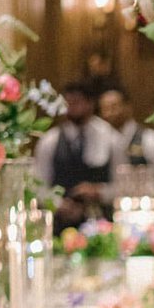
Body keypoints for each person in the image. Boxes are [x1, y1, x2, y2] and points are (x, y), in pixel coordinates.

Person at [34, 82, 121, 229]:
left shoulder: (110, 138)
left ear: (90, 104)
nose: (72, 107)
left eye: (77, 102)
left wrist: (99, 192)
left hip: (102, 223)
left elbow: (123, 184)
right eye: (69, 103)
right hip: (61, 224)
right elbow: (38, 185)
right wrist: (59, 204)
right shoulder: (50, 141)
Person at [100, 85, 154, 193]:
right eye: (105, 109)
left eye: (114, 107)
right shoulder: (105, 142)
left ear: (128, 107)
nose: (109, 113)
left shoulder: (149, 139)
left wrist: (146, 190)